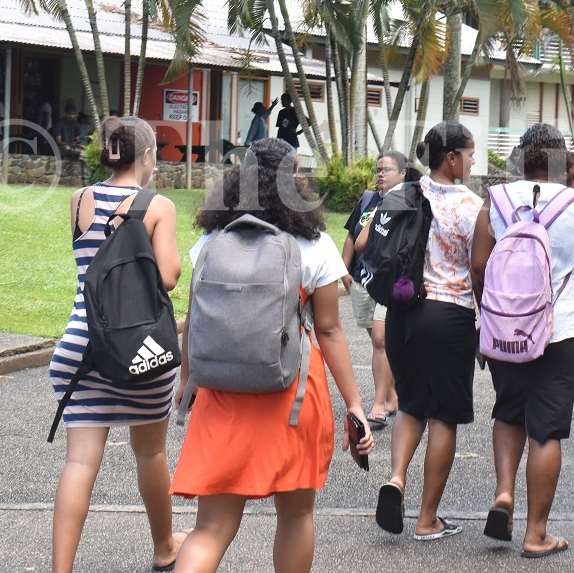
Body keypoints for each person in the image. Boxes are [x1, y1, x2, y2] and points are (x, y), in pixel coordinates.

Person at [170, 138, 374, 572]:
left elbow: (194, 318)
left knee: (209, 527)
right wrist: (354, 403)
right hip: (292, 393)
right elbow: (330, 329)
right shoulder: (313, 243)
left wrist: (187, 378)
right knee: (296, 515)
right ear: (293, 178)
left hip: (222, 391)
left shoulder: (212, 238)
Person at [470, 124, 574, 559]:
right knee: (545, 431)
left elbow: (477, 266)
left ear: (522, 158)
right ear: (564, 160)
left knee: (508, 412)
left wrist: (491, 317)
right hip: (557, 331)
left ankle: (504, 495)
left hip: (505, 330)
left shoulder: (496, 201)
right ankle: (535, 534)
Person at [47, 116, 186, 573]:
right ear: (147, 156)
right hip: (138, 350)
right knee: (150, 452)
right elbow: (167, 277)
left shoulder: (79, 199)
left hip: (81, 346)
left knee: (80, 463)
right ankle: (165, 547)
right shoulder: (157, 205)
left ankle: (61, 568)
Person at [357, 121, 482, 541]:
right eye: (468, 153)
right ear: (451, 158)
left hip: (402, 314)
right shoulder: (471, 206)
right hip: (450, 318)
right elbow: (479, 267)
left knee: (410, 405)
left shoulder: (399, 195)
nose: (472, 160)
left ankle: (395, 479)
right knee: (444, 415)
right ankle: (428, 520)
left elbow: (366, 246)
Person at [340, 150, 406, 430]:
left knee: (381, 339)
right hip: (361, 280)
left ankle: (380, 404)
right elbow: (352, 236)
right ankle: (395, 396)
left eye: (387, 169)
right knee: (379, 341)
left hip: (389, 283)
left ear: (402, 173)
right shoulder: (367, 199)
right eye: (378, 169)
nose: (380, 174)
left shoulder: (405, 203)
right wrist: (343, 271)